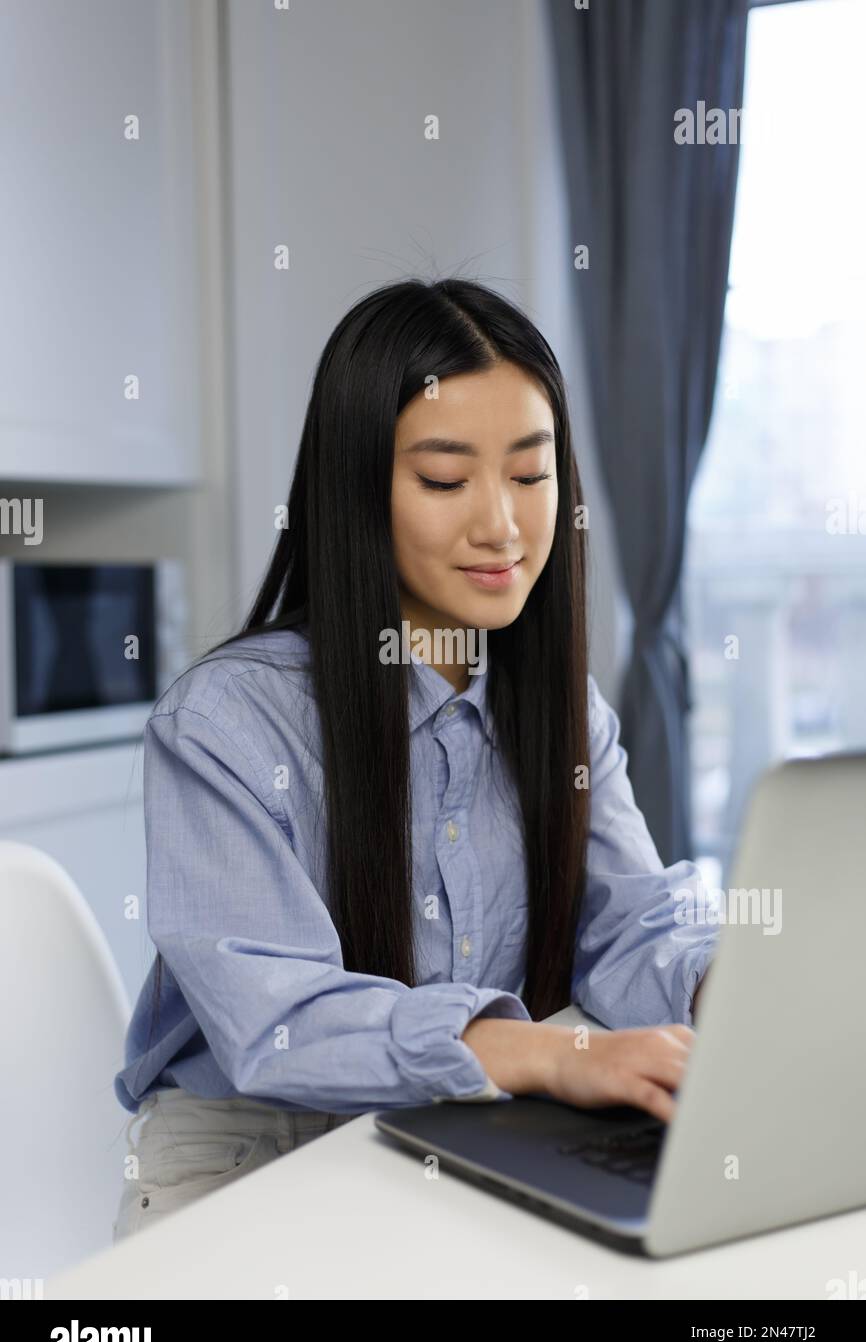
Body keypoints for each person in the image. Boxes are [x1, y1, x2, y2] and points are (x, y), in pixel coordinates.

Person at [112, 277, 716, 1242]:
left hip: (463, 1128)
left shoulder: (563, 709)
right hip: (246, 1156)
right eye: (445, 480)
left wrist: (722, 985)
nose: (504, 528)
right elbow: (281, 1023)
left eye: (530, 475)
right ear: (358, 491)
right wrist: (540, 1054)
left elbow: (629, 926)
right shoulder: (225, 723)